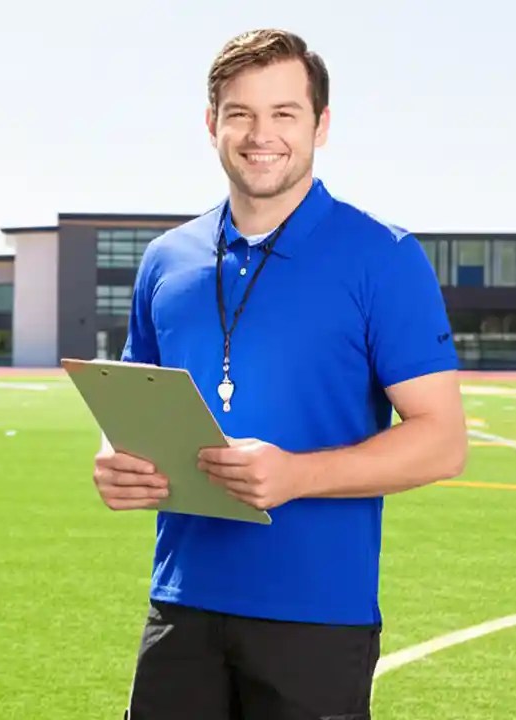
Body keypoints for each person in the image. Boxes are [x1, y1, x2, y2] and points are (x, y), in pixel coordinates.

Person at [91, 28, 468, 720]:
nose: (261, 134)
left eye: (284, 114)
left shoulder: (383, 257)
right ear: (212, 125)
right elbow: (133, 414)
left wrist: (298, 476)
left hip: (318, 617)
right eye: (240, 113)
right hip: (181, 603)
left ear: (320, 125)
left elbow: (443, 441)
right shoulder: (165, 261)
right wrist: (117, 461)